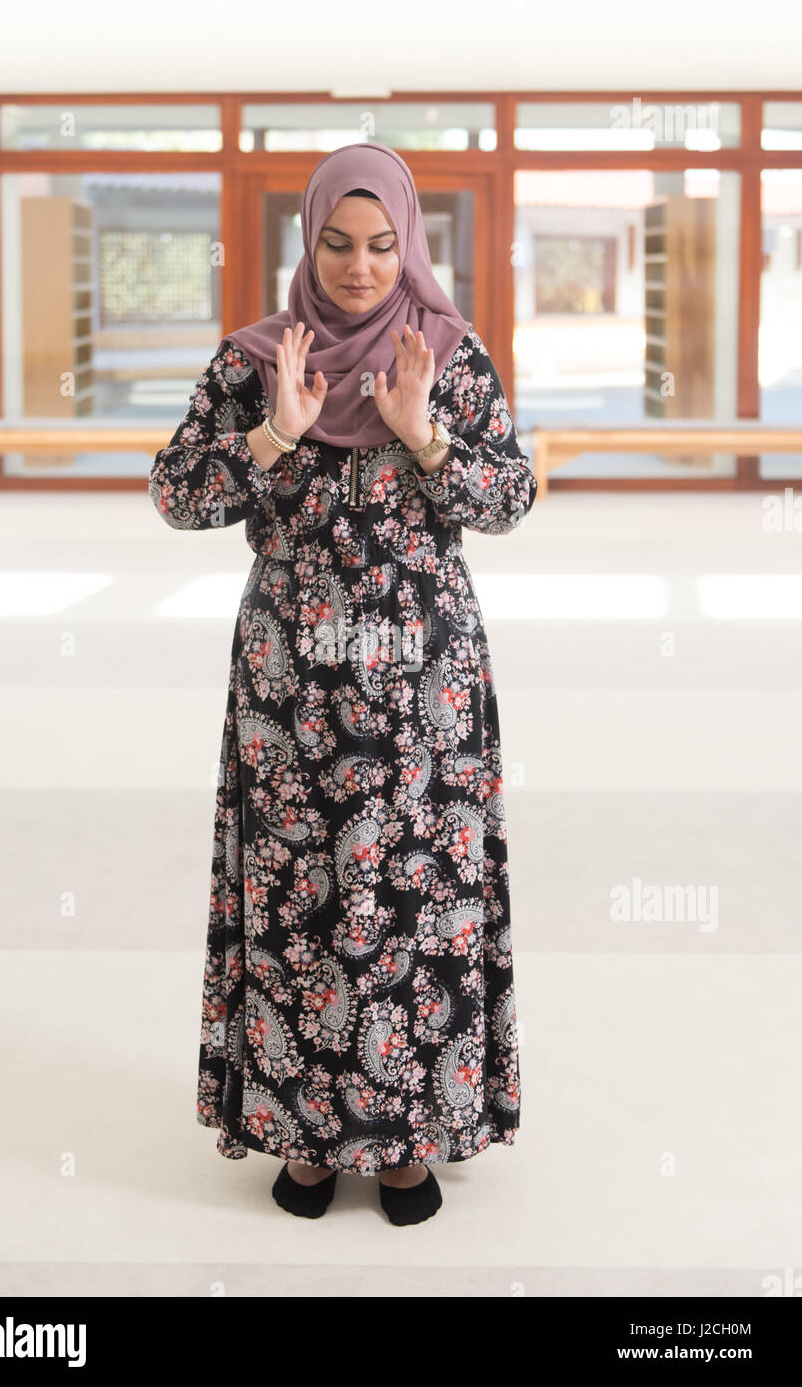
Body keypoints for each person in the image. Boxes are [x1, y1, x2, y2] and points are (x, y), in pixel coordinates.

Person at [149, 142, 536, 1227]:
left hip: (424, 688)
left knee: (416, 907)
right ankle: (302, 1136)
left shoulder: (449, 356)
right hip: (293, 686)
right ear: (306, 242)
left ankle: (407, 1139)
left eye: (382, 246)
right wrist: (275, 431)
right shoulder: (254, 359)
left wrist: (423, 436)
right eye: (337, 243)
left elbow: (510, 499)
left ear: (411, 244)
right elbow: (176, 495)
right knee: (299, 895)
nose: (361, 268)